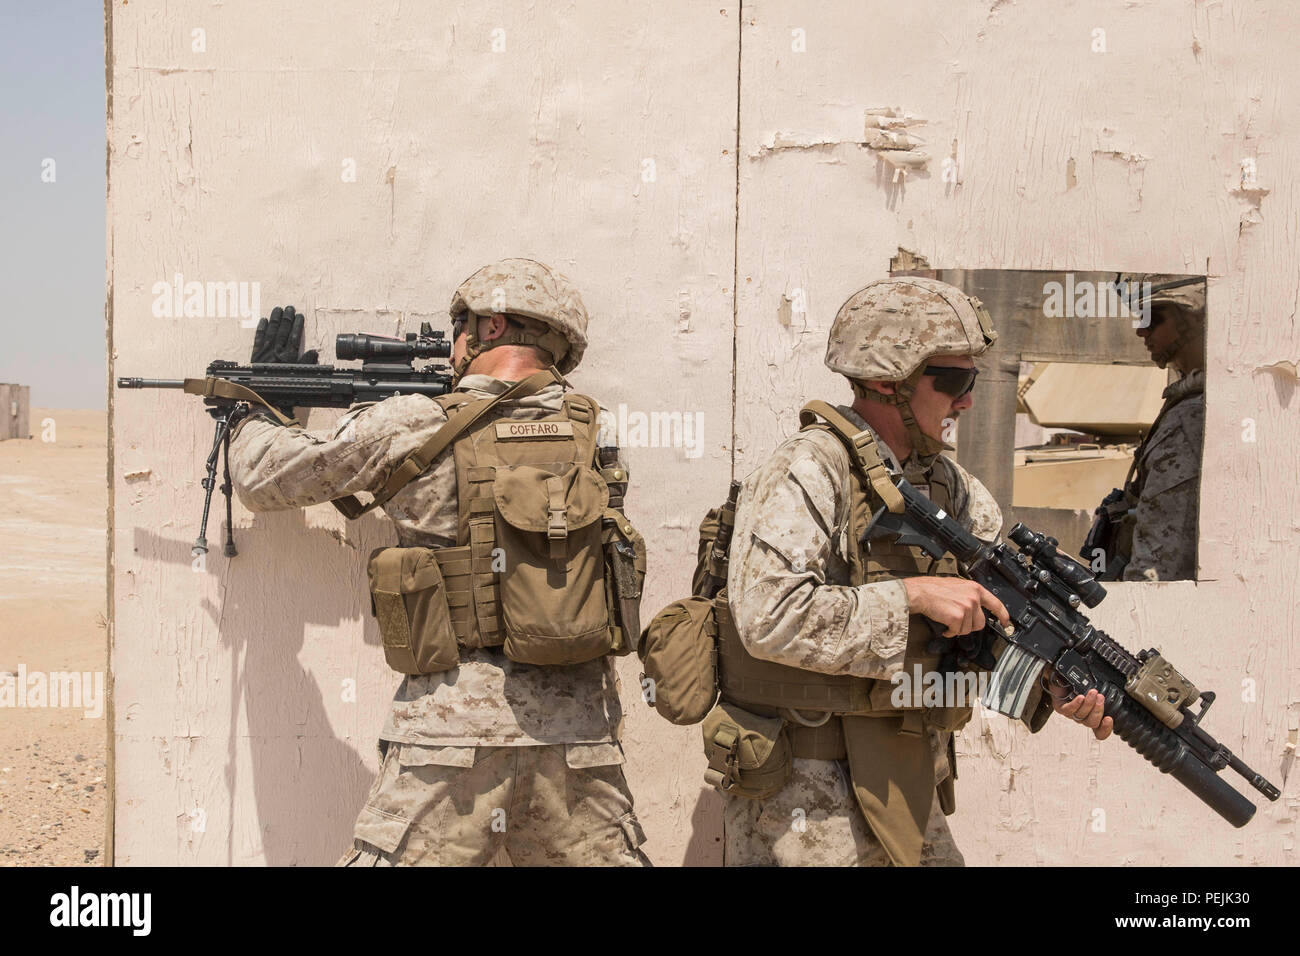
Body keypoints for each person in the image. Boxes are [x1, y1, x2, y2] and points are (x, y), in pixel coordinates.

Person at [226, 259, 650, 866]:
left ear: (491, 326)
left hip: (448, 737)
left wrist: (260, 402)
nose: (450, 347)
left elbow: (262, 478)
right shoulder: (594, 433)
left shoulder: (415, 423)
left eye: (458, 328)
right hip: (578, 737)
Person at [718, 276, 1111, 867]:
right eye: (953, 380)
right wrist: (912, 595)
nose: (968, 400)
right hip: (808, 798)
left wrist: (1049, 681)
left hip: (909, 783)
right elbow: (766, 617)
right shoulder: (809, 468)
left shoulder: (952, 488)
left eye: (971, 380)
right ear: (885, 381)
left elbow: (990, 625)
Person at [1097, 275, 1206, 581]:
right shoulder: (1188, 399)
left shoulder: (1192, 416)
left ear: (1193, 316)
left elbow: (1158, 566)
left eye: (1151, 317)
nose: (1140, 330)